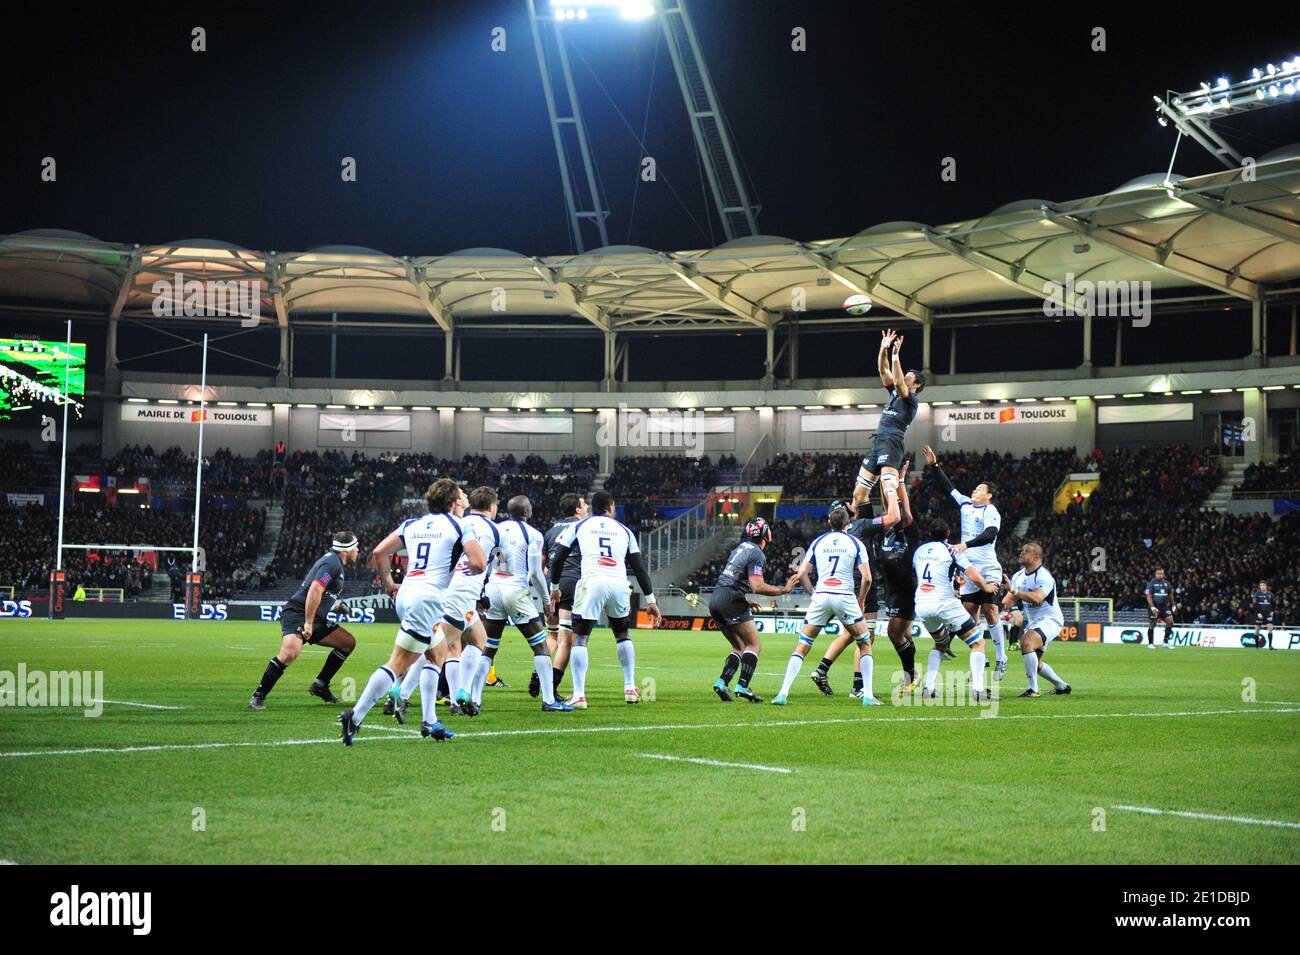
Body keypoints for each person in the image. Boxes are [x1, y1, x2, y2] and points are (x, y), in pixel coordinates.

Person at [352, 478, 471, 742]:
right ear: (453, 503)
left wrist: (388, 583)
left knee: (437, 653)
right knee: (398, 663)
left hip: (407, 593)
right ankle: (356, 715)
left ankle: (430, 721)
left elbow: (379, 552)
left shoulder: (411, 525)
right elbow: (478, 561)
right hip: (426, 600)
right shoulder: (459, 526)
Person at [548, 490, 662, 708]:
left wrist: (554, 587)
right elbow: (639, 568)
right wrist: (651, 601)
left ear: (592, 508)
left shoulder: (579, 526)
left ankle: (579, 695)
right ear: (611, 508)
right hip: (619, 583)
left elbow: (558, 558)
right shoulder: (624, 530)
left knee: (579, 638)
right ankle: (630, 688)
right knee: (622, 634)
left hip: (593, 582)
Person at [772, 502, 877, 705]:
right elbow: (867, 578)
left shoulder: (819, 541)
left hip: (822, 595)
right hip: (845, 596)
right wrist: (861, 599)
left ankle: (783, 693)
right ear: (848, 523)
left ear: (829, 522)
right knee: (864, 643)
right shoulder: (856, 543)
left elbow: (801, 573)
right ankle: (868, 696)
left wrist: (813, 593)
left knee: (803, 645)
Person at [480, 495, 574, 712]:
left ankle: (475, 699)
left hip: (494, 588)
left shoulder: (496, 529)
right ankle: (549, 701)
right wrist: (545, 599)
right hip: (515, 590)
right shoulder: (532, 533)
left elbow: (485, 562)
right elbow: (534, 572)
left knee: (489, 648)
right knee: (541, 645)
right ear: (525, 511)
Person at [922, 445, 1008, 680]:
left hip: (988, 567)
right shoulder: (965, 504)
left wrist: (965, 545)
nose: (974, 490)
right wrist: (934, 465)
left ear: (988, 495)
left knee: (990, 610)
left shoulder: (990, 511)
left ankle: (1001, 658)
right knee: (969, 615)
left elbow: (990, 534)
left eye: (980, 489)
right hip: (970, 571)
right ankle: (983, 658)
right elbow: (947, 487)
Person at [249, 531, 360, 710]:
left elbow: (320, 594)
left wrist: (334, 607)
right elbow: (315, 590)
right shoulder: (332, 563)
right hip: (298, 613)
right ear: (346, 550)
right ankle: (259, 695)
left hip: (315, 616)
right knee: (289, 654)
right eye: (355, 546)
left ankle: (320, 684)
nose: (358, 550)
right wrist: (308, 622)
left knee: (347, 643)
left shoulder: (335, 562)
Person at [708, 516, 797, 703]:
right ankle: (742, 685)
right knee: (754, 645)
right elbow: (757, 586)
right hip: (731, 599)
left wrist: (744, 601)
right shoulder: (757, 553)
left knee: (738, 647)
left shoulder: (738, 548)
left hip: (717, 598)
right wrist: (784, 589)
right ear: (766, 534)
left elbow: (731, 578)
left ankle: (722, 682)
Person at [913, 519, 998, 702]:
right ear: (948, 533)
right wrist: (987, 588)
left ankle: (928, 688)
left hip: (922, 603)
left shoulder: (919, 551)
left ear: (929, 534)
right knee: (978, 643)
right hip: (944, 603)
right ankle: (978, 691)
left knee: (940, 644)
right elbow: (973, 575)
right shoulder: (952, 550)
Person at [852, 329, 925, 517]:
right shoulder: (894, 392)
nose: (904, 377)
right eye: (905, 375)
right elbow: (883, 370)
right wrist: (883, 349)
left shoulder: (911, 400)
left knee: (887, 489)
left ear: (916, 385)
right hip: (878, 442)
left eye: (909, 377)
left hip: (892, 442)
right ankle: (866, 531)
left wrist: (895, 356)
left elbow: (900, 383)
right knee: (858, 495)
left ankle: (894, 527)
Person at [1003, 542, 1071, 697]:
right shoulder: (1018, 576)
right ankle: (1062, 686)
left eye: (1025, 551)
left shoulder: (1044, 576)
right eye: (1021, 551)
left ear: (1036, 557)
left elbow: (1037, 598)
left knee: (1026, 643)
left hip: (1050, 619)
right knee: (1037, 664)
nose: (1021, 553)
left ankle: (1033, 690)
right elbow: (1008, 600)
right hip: (1034, 622)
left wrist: (1014, 591)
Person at [538, 493, 587, 699]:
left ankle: (539, 668)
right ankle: (552, 687)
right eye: (584, 505)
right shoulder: (583, 528)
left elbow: (542, 563)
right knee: (568, 639)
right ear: (577, 510)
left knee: (552, 635)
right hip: (571, 583)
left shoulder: (550, 530)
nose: (586, 508)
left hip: (551, 586)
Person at [1144, 567, 1175, 648]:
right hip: (1155, 607)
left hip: (1164, 607)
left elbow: (1170, 595)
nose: (1160, 575)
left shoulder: (1167, 583)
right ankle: (1150, 643)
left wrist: (1173, 605)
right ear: (1155, 574)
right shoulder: (1151, 583)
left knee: (1170, 621)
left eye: (1161, 573)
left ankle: (1165, 642)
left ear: (1163, 574)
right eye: (1158, 573)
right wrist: (1152, 607)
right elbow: (1149, 596)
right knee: (1152, 624)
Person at [1250, 580, 1276, 650]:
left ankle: (1270, 646)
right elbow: (1254, 605)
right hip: (1259, 614)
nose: (1262, 587)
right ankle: (1257, 646)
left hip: (1268, 614)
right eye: (1261, 585)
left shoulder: (1270, 594)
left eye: (1263, 585)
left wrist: (1272, 611)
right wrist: (1258, 613)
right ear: (1259, 587)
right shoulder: (1257, 594)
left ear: (1266, 586)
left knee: (1270, 629)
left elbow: (1274, 604)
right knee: (1257, 631)